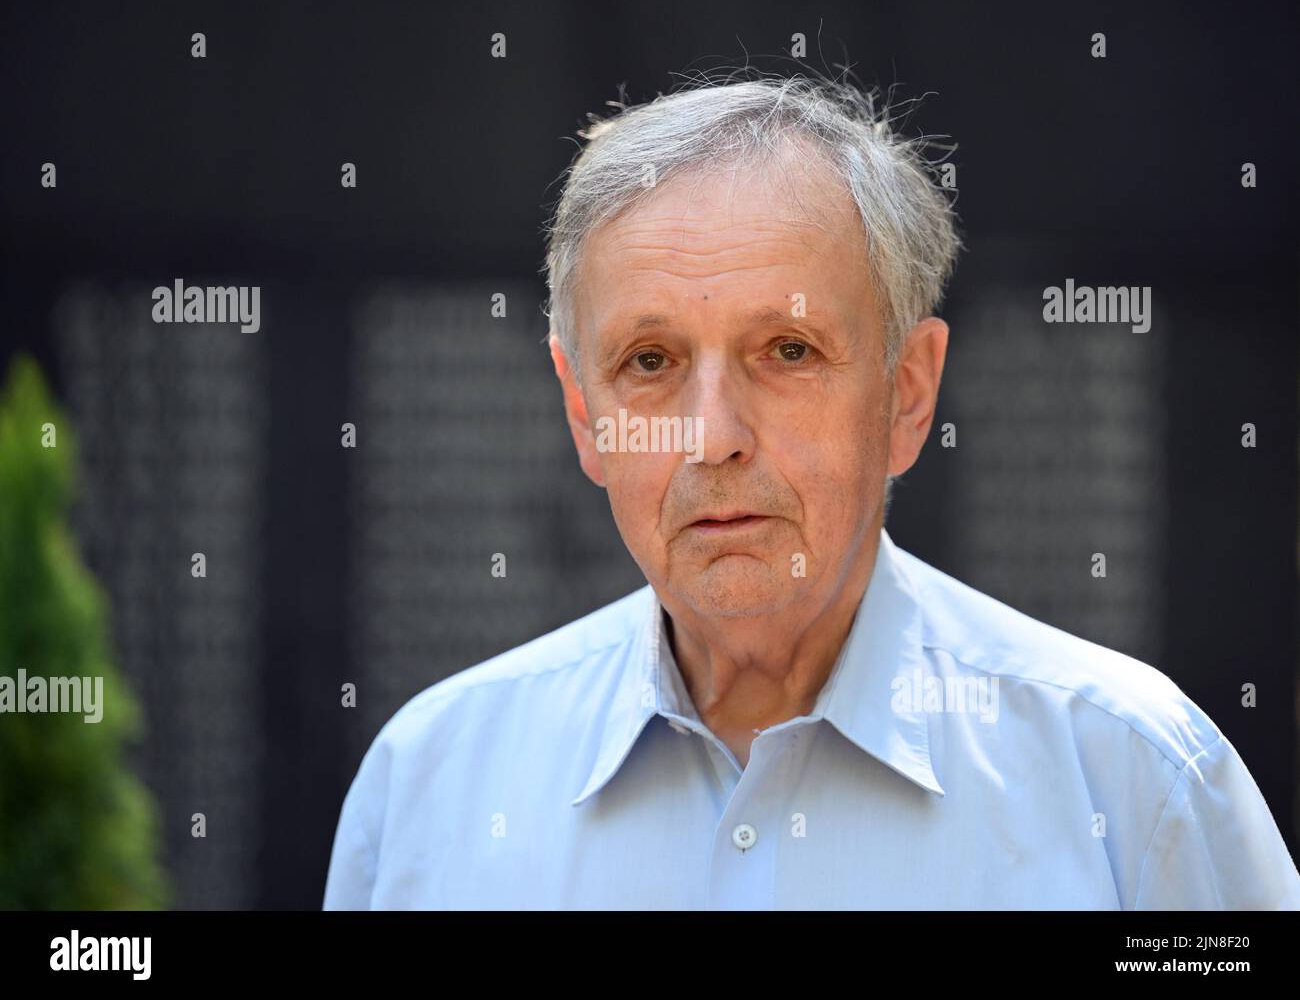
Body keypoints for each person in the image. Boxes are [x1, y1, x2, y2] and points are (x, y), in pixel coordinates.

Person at [323, 74, 1300, 909]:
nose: (713, 437)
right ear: (584, 415)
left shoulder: (1134, 779)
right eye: (650, 359)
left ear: (907, 395)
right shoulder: (430, 793)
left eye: (787, 351)